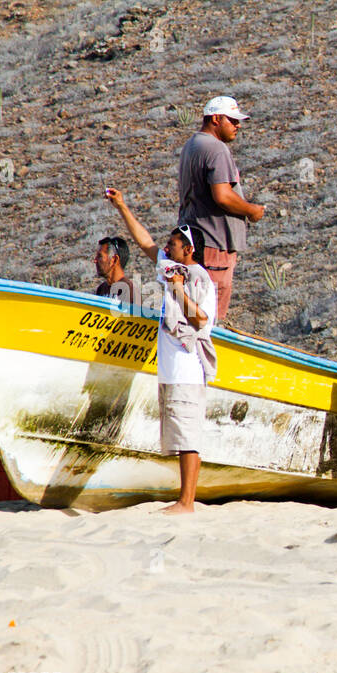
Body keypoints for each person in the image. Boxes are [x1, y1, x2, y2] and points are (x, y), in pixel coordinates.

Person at [105, 187, 218, 514]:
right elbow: (145, 243)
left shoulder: (198, 277)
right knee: (178, 434)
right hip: (170, 369)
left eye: (173, 245)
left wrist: (179, 291)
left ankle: (187, 502)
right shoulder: (172, 269)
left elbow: (200, 320)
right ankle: (183, 499)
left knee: (188, 436)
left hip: (186, 368)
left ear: (189, 249)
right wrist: (122, 206)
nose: (166, 248)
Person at [177, 94, 264, 322]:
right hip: (214, 243)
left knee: (192, 310)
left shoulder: (192, 145)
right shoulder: (216, 149)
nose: (237, 126)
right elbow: (223, 196)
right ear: (215, 119)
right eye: (232, 120)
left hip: (195, 240)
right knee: (209, 317)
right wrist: (251, 210)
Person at [93, 235, 137, 310]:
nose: (95, 260)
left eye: (100, 256)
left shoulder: (129, 290)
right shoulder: (101, 289)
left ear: (114, 260)